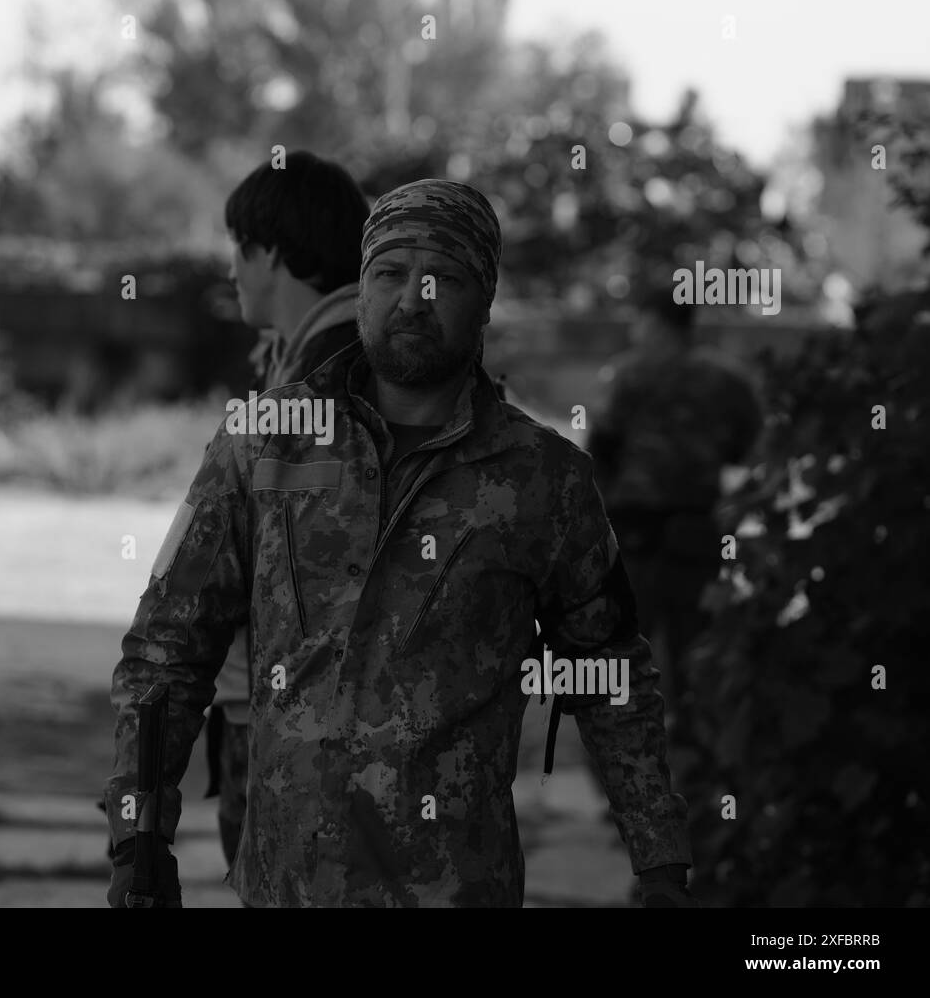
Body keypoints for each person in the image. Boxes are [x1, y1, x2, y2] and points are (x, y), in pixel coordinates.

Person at [105, 179, 693, 907]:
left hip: (454, 889)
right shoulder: (265, 439)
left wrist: (659, 858)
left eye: (441, 278)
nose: (412, 299)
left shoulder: (543, 480)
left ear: (484, 301)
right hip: (289, 883)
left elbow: (610, 673)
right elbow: (168, 644)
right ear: (361, 288)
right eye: (388, 273)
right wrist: (138, 833)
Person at [203, 152, 369, 868]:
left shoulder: (327, 378)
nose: (231, 269)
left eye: (238, 248)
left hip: (293, 728)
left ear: (270, 250)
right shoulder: (300, 360)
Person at [587, 289, 762, 724]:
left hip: (633, 535)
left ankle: (626, 752)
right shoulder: (730, 380)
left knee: (624, 653)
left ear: (659, 324)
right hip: (699, 531)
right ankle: (697, 755)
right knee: (696, 653)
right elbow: (749, 453)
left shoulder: (629, 375)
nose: (635, 331)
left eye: (640, 320)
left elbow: (599, 452)